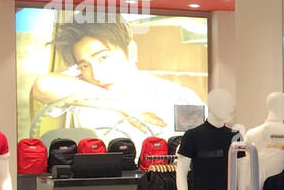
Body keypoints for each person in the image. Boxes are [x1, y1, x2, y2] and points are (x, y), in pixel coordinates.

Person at [30, 20, 205, 146]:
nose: (97, 75)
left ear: (131, 51)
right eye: (85, 65)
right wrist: (123, 106)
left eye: (103, 57)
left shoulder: (176, 96)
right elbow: (42, 86)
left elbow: (204, 144)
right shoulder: (85, 91)